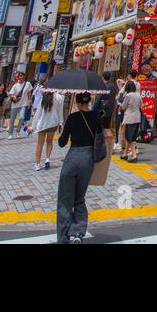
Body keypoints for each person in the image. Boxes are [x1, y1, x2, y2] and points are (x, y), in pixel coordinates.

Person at [55, 92, 106, 244]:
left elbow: (62, 142)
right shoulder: (96, 116)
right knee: (79, 198)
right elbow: (100, 136)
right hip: (88, 158)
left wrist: (64, 128)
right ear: (89, 102)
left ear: (76, 103)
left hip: (72, 157)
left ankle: (63, 237)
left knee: (65, 199)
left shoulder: (72, 118)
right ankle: (78, 233)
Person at [32, 88, 64, 170]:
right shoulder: (59, 97)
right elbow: (60, 111)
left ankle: (37, 164)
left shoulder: (44, 98)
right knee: (49, 141)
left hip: (42, 124)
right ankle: (47, 159)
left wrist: (33, 126)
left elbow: (38, 113)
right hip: (53, 123)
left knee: (40, 144)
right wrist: (61, 122)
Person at [120, 80, 143, 162]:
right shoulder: (138, 95)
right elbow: (141, 106)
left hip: (129, 118)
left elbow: (123, 107)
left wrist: (120, 104)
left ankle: (134, 156)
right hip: (137, 118)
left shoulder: (128, 95)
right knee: (131, 137)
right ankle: (125, 154)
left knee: (130, 138)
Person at [7, 73, 32, 138]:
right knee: (12, 119)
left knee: (21, 118)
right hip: (15, 104)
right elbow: (11, 94)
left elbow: (29, 93)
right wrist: (14, 97)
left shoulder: (28, 84)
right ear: (18, 77)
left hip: (23, 104)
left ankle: (18, 131)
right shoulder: (15, 85)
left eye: (22, 76)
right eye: (20, 76)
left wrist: (29, 101)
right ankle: (10, 133)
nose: (21, 77)